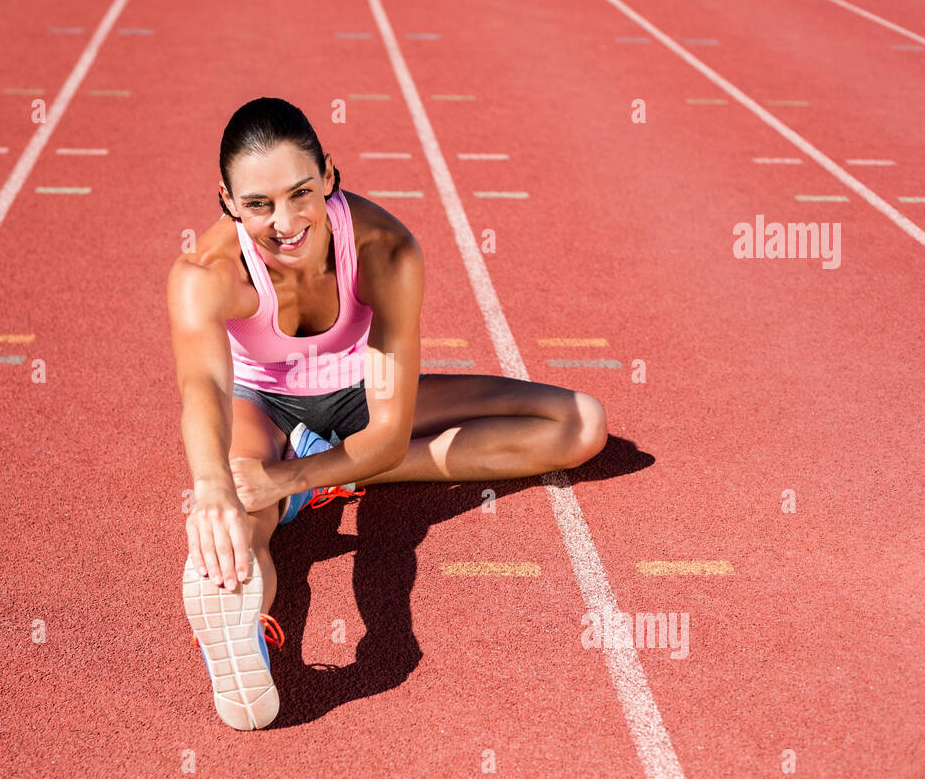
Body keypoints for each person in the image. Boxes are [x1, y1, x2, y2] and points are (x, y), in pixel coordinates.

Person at [167, 97, 608, 730]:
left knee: (581, 423)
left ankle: (314, 480)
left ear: (330, 177)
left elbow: (389, 435)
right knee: (239, 512)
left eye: (300, 194)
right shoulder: (203, 274)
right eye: (259, 204)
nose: (286, 222)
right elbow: (203, 387)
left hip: (360, 391)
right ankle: (250, 638)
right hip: (260, 403)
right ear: (228, 201)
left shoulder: (385, 248)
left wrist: (291, 479)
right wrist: (213, 489)